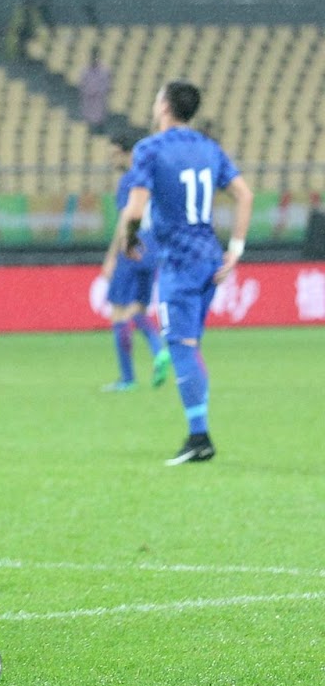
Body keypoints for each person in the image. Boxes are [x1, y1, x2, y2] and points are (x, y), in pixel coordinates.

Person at [111, 81, 253, 465]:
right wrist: (236, 248)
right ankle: (198, 431)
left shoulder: (150, 149)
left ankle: (199, 437)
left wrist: (128, 239)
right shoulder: (209, 147)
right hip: (210, 259)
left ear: (164, 106)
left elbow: (136, 207)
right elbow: (245, 194)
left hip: (178, 264)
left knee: (182, 348)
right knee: (190, 346)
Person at [99, 134, 168, 392]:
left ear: (128, 154)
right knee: (137, 310)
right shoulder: (156, 178)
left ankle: (127, 378)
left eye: (115, 152)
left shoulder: (130, 180)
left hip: (132, 249)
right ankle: (158, 349)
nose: (112, 158)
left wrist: (112, 257)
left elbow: (125, 220)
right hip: (153, 251)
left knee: (118, 313)